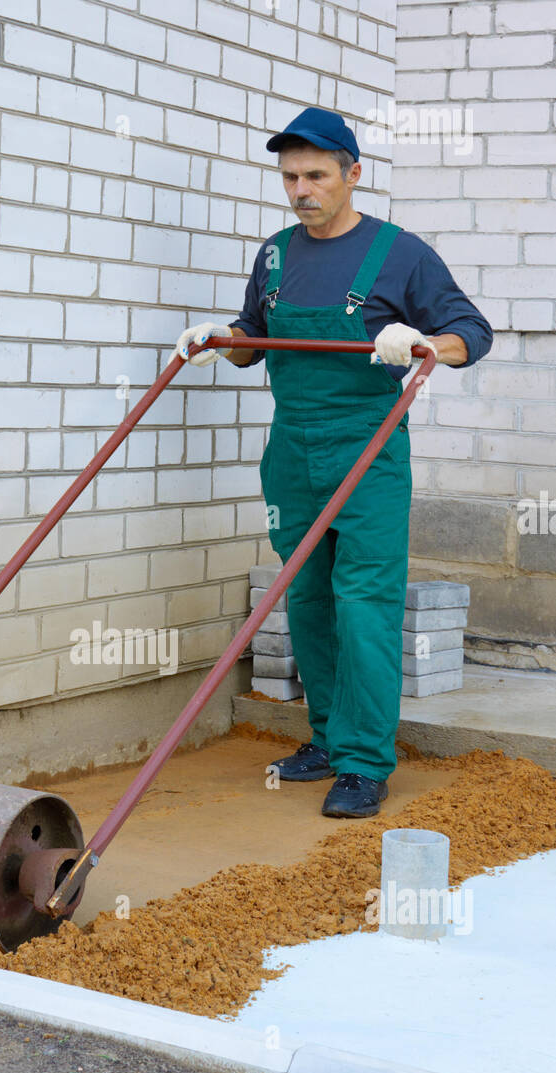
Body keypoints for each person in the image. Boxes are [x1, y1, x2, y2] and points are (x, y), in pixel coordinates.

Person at [175, 107, 492, 817]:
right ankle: (324, 739)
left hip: (368, 452)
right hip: (291, 452)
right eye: (289, 177)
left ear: (352, 174)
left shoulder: (398, 253)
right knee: (307, 600)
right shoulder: (276, 254)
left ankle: (363, 762)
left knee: (363, 608)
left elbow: (472, 332)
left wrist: (418, 342)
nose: (300, 189)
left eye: (315, 175)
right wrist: (221, 336)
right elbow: (257, 338)